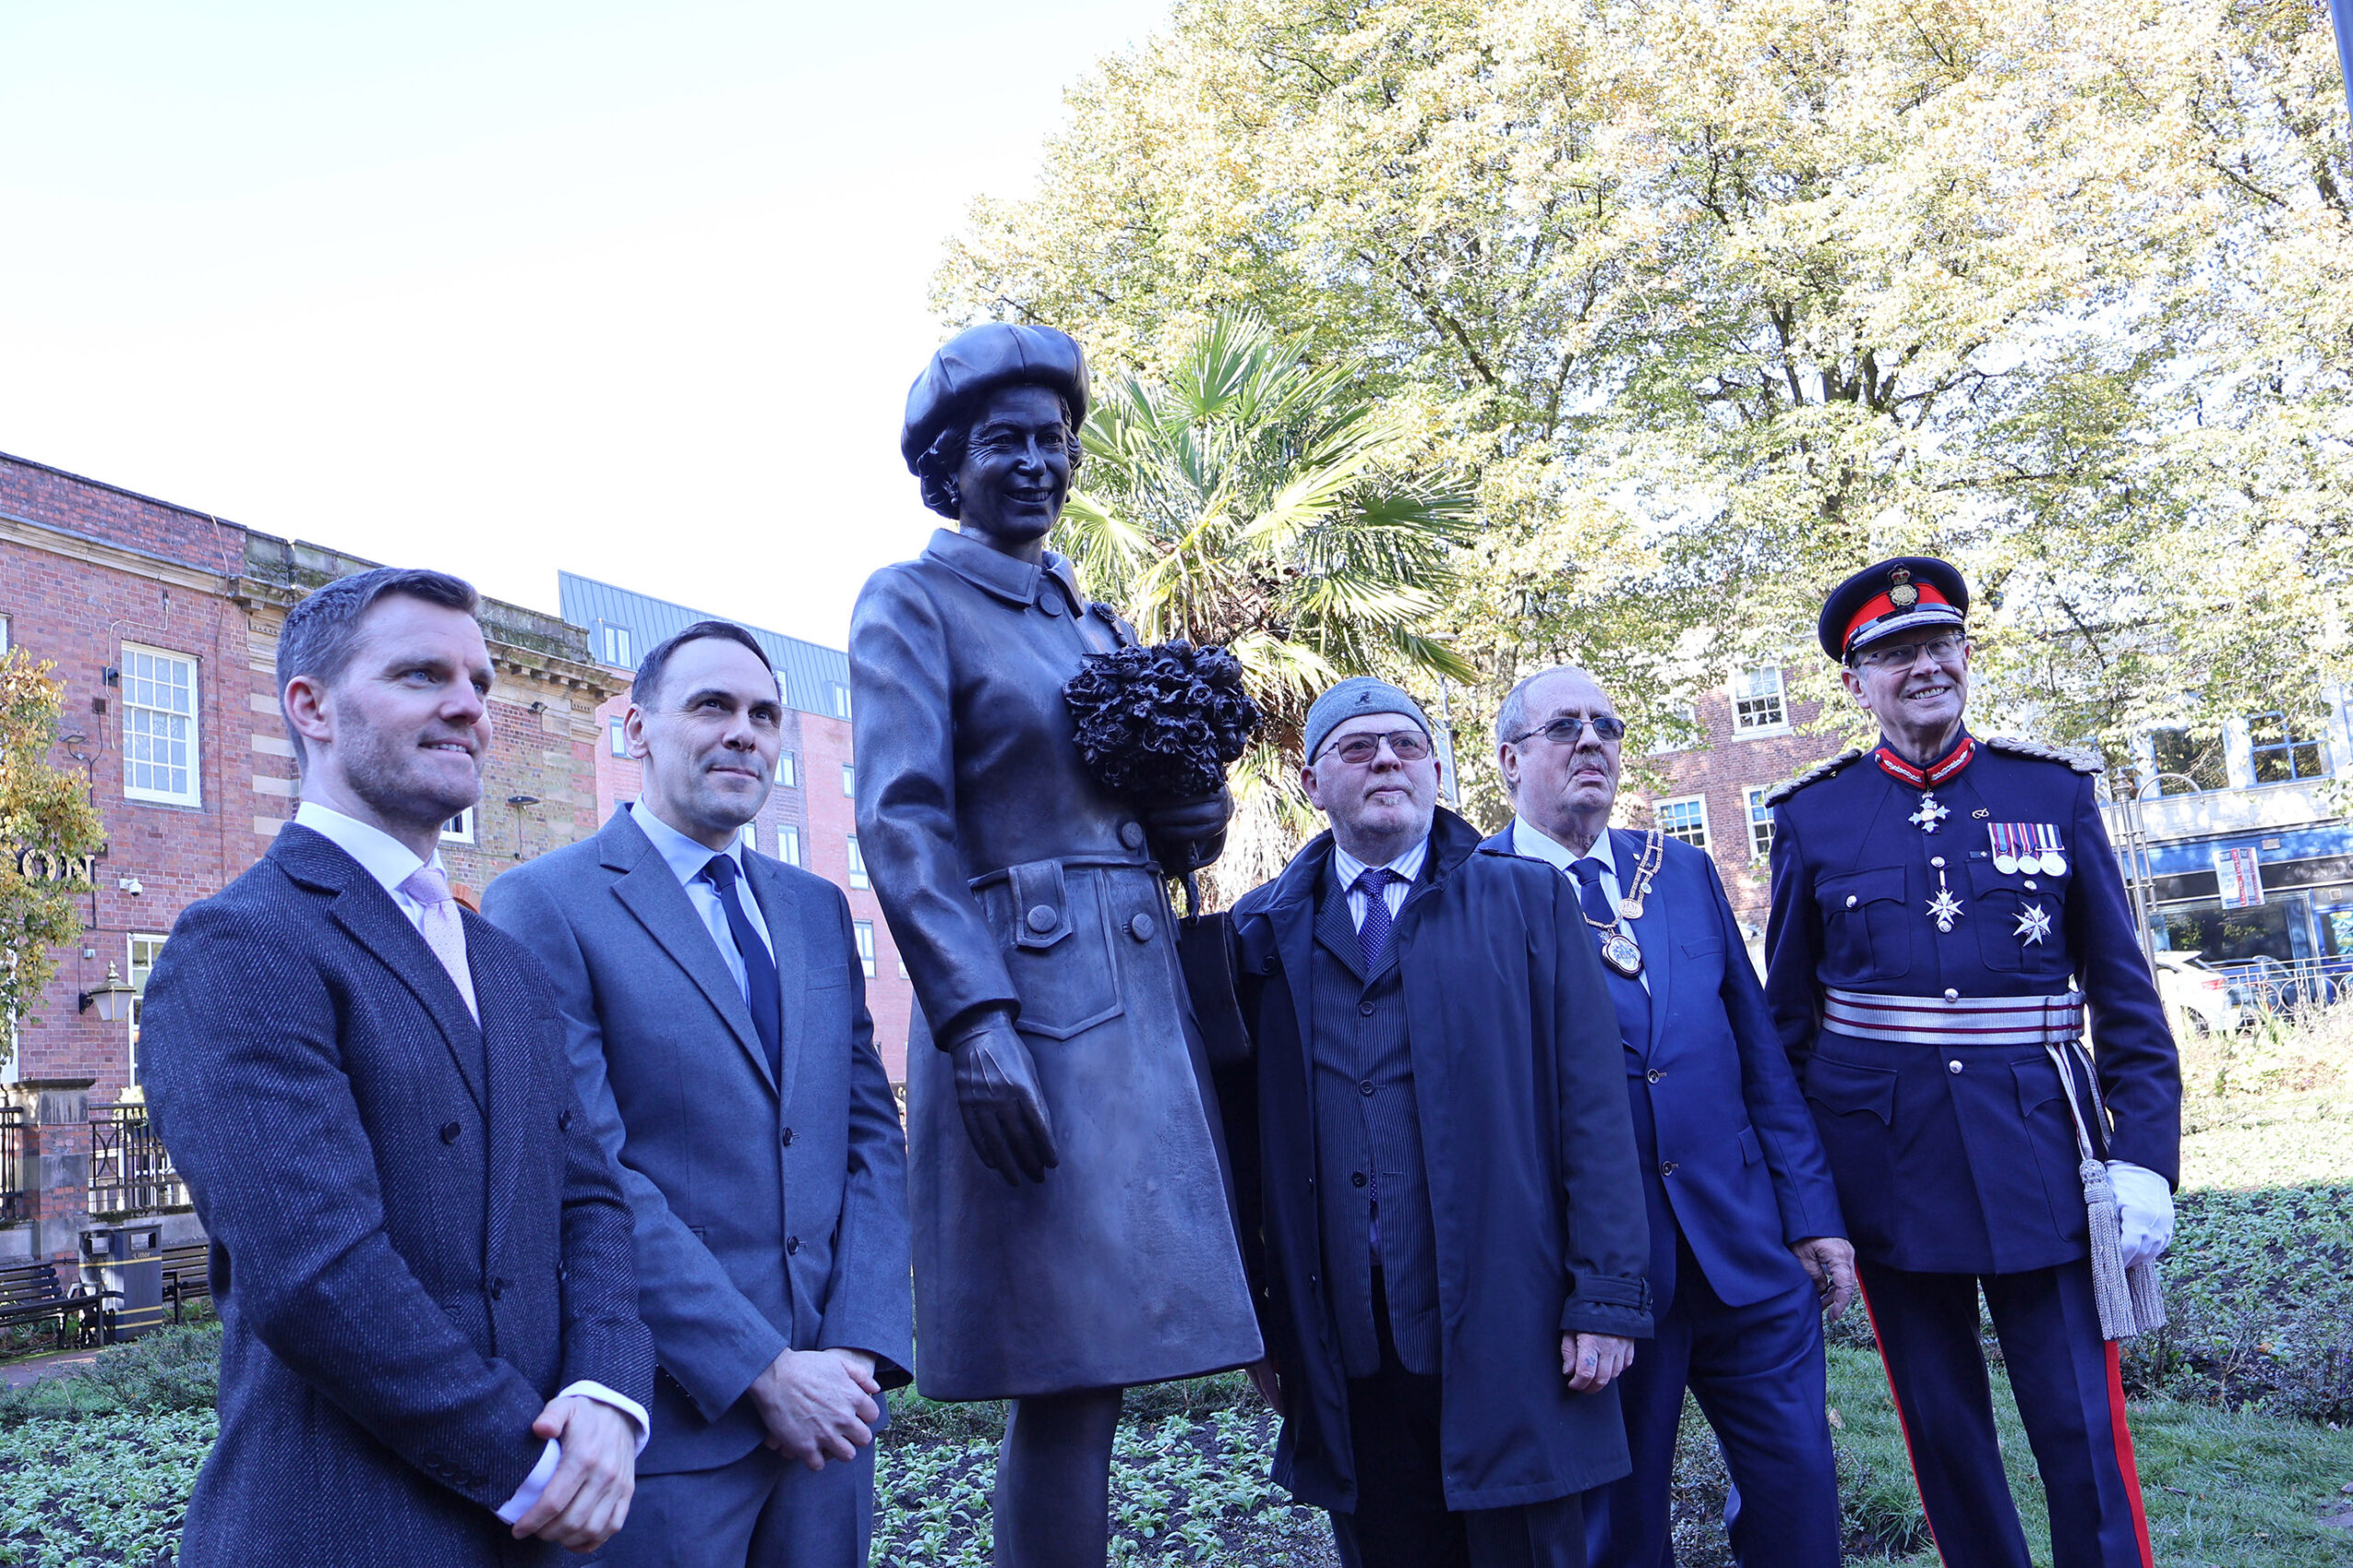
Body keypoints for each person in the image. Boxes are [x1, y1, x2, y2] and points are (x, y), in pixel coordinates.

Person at [847, 322, 1262, 1568]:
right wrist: (974, 1020)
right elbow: (901, 818)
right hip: (1030, 1004)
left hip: (1134, 1003)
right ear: (948, 466)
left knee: (1113, 1363)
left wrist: (1192, 817)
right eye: (1002, 442)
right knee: (1067, 1369)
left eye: (1051, 439)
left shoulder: (1094, 623)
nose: (1035, 462)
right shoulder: (912, 602)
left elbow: (1127, 806)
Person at [138, 567, 653, 1568]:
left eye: (481, 681)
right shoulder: (241, 943)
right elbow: (317, 1275)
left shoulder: (502, 960)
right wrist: (539, 1467)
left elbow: (591, 1201)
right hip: (346, 1525)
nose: (468, 704)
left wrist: (606, 1389)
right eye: (422, 673)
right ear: (311, 705)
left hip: (543, 1531)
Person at [1764, 557, 2181, 1568]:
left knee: (2083, 1430)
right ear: (1854, 680)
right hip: (1888, 1178)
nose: (1923, 665)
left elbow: (2125, 995)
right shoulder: (1810, 818)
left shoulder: (2052, 790)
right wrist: (1807, 1201)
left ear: (1964, 655)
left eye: (1939, 644)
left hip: (2041, 1162)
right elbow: (1784, 1030)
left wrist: (2147, 1161)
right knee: (1946, 1440)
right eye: (1894, 653)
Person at [483, 619, 912, 1568]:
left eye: (764, 713)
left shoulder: (814, 906)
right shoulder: (543, 903)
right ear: (635, 728)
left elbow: (870, 1135)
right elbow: (587, 1165)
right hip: (670, 1435)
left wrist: (857, 1345)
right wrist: (760, 1369)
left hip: (833, 1424)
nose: (745, 732)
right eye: (711, 705)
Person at [1227, 676, 1653, 1568]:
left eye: (1406, 743)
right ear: (1311, 782)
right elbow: (1241, 1151)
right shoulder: (1260, 932)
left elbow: (1596, 1115)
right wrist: (1261, 1324)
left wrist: (1606, 1299)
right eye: (1356, 746)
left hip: (1512, 1326)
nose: (1385, 758)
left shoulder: (1528, 900)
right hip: (1350, 1347)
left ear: (1436, 769)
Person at [1479, 665, 1851, 1568]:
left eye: (1606, 724)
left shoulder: (1678, 869)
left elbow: (1758, 1055)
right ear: (1507, 760)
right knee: (1619, 1529)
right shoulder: (1472, 893)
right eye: (1563, 727)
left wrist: (1811, 1215)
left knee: (1799, 1500)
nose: (1591, 741)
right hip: (1598, 1281)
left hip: (1745, 1251)